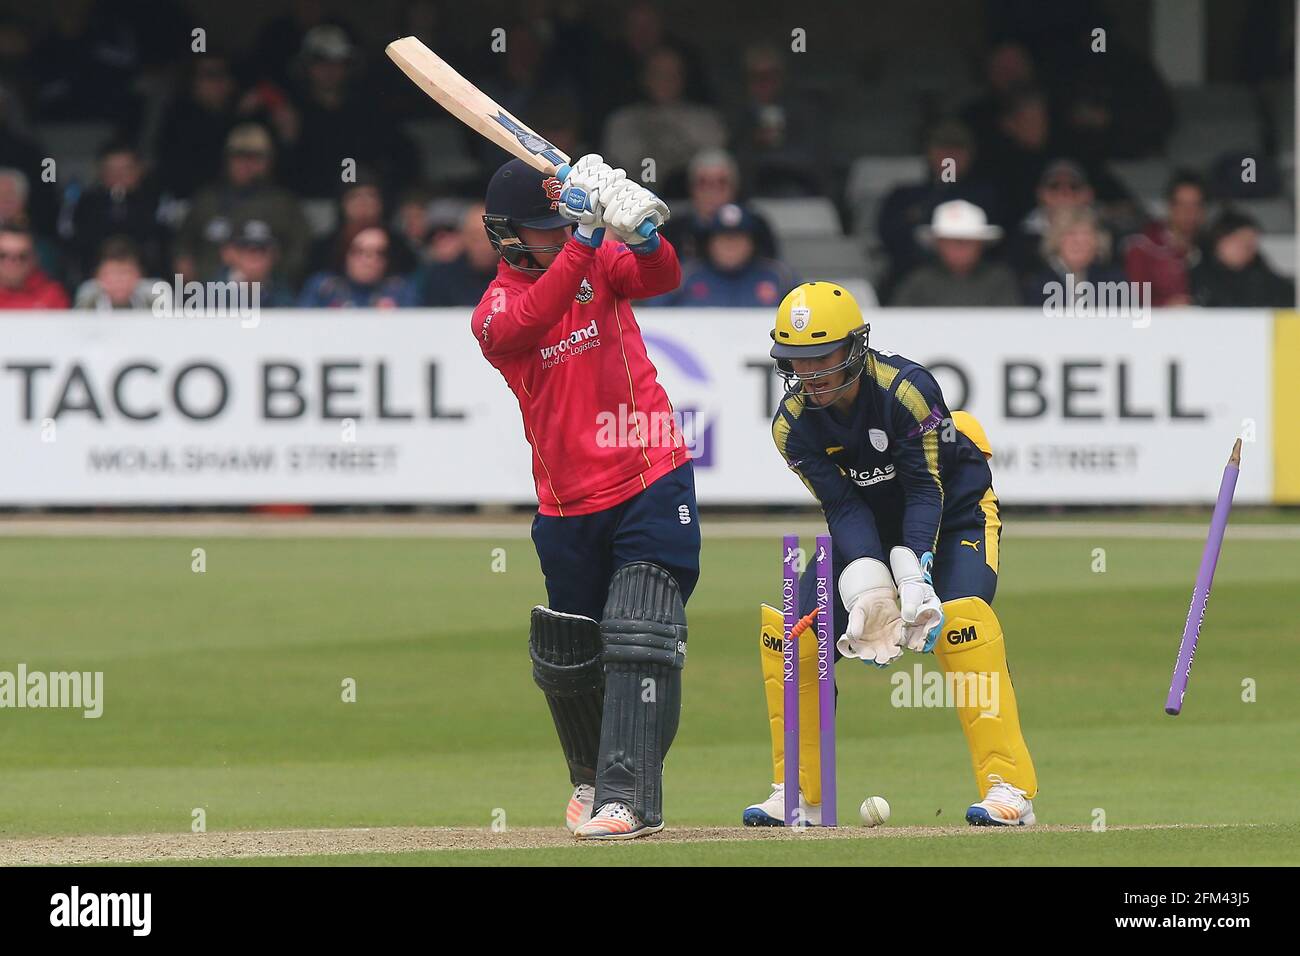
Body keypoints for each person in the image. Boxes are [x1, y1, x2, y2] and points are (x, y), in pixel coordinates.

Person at [744, 281, 1038, 827]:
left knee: (962, 624)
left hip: (955, 516)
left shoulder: (908, 390)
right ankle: (800, 794)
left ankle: (1009, 790)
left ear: (855, 346)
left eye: (824, 358)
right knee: (794, 633)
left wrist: (913, 573)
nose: (813, 376)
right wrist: (868, 584)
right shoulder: (791, 426)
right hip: (868, 527)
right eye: (799, 362)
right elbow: (844, 507)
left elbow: (926, 488)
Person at [471, 154, 695, 840]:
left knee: (641, 628)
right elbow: (537, 315)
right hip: (567, 505)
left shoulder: (593, 259)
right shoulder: (494, 312)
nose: (555, 234)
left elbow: (663, 277)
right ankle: (594, 779)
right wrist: (585, 235)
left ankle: (629, 801)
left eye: (558, 223)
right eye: (542, 227)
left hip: (649, 466)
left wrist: (643, 232)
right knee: (571, 653)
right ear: (508, 235)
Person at [174, 123, 309, 283]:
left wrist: (269, 271)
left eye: (255, 157)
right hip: (207, 294)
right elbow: (182, 245)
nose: (246, 164)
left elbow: (299, 252)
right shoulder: (206, 200)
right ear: (227, 159)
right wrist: (183, 263)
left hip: (266, 296)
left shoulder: (283, 204)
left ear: (269, 161)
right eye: (239, 156)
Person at [662, 203, 796, 307]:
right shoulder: (684, 275)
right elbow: (654, 315)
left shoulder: (779, 276)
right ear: (709, 243)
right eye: (723, 238)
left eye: (738, 238)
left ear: (752, 243)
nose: (730, 246)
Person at [891, 200, 1020, 306]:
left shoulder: (999, 280)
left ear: (980, 244)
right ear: (937, 244)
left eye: (965, 242)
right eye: (949, 242)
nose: (957, 249)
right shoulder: (918, 282)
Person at [659, 149, 777, 262]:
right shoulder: (674, 230)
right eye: (703, 183)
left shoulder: (755, 227)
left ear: (734, 188)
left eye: (721, 183)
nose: (712, 192)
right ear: (691, 188)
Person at [1123, 172, 1207, 306]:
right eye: (1181, 204)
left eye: (1195, 205)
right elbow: (1133, 301)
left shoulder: (1213, 247)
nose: (1188, 212)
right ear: (1169, 207)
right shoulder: (1143, 246)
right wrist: (1165, 306)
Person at [1022, 206, 1127, 307]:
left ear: (1098, 243)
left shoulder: (1113, 280)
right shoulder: (1036, 281)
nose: (1079, 242)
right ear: (1056, 240)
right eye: (1071, 234)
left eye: (1086, 235)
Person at [1190, 209, 1294, 307]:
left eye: (1251, 244)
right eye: (1240, 242)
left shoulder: (1263, 276)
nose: (1247, 249)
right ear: (1220, 241)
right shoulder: (1196, 277)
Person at [297, 225, 416, 308]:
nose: (369, 260)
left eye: (379, 253)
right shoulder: (322, 286)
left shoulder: (401, 289)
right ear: (345, 254)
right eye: (360, 252)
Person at [417, 202, 499, 306]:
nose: (483, 245)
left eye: (490, 237)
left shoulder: (515, 277)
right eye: (475, 237)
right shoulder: (440, 277)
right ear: (463, 237)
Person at [73, 236, 160, 310]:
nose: (119, 280)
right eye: (112, 273)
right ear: (98, 277)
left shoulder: (152, 300)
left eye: (125, 272)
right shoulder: (89, 302)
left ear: (138, 275)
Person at [0, 224, 69, 309]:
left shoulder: (52, 294)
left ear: (34, 259)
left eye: (22, 256)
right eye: (3, 255)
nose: (12, 263)